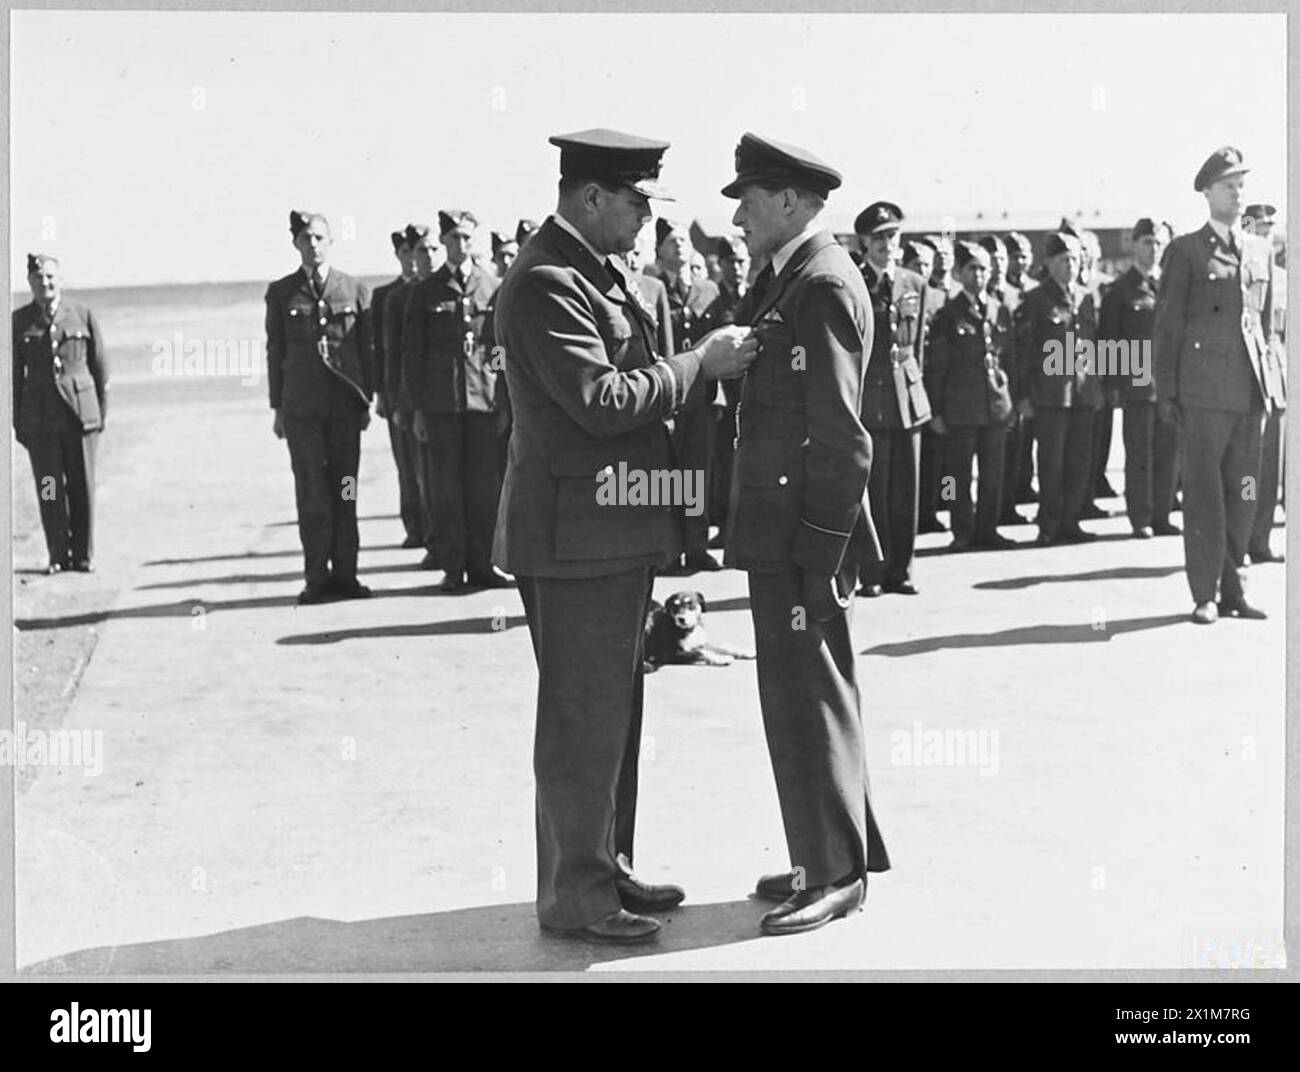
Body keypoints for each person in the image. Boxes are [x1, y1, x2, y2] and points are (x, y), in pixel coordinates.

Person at [492, 128, 757, 943]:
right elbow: (600, 400)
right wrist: (697, 367)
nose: (645, 219)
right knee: (582, 719)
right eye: (638, 201)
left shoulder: (593, 273)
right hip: (576, 538)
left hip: (606, 530)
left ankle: (607, 865)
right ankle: (576, 895)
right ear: (591, 196)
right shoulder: (544, 282)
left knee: (613, 711)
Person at [722, 131, 890, 936]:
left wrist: (824, 553)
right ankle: (822, 852)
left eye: (748, 201)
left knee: (811, 695)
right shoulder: (791, 276)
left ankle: (836, 874)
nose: (740, 217)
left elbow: (843, 435)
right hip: (779, 527)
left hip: (802, 535)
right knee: (795, 696)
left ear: (789, 201)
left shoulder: (820, 283)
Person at [1154, 147, 1278, 623]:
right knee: (1205, 496)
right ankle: (1205, 593)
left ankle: (1237, 590)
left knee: (1244, 492)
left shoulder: (1260, 250)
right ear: (1206, 193)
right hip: (1203, 395)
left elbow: (1263, 328)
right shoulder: (1187, 251)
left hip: (1249, 392)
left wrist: (1268, 385)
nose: (1237, 192)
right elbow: (1167, 327)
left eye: (1241, 184)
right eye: (1228, 185)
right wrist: (1166, 391)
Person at [265, 210, 373, 604]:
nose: (313, 245)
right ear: (296, 243)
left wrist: (367, 399)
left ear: (331, 242)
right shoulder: (281, 293)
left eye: (320, 238)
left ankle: (347, 576)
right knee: (312, 494)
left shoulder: (353, 289)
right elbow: (275, 351)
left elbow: (366, 349)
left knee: (345, 491)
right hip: (302, 410)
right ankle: (316, 577)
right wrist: (277, 407)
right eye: (306, 238)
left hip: (344, 408)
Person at [402, 209, 507, 592]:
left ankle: (483, 564)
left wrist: (503, 398)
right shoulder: (426, 291)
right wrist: (414, 409)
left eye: (466, 238)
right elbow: (413, 353)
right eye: (453, 239)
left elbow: (498, 349)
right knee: (445, 488)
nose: (460, 246)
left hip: (483, 401)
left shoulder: (492, 286)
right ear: (443, 242)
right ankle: (452, 566)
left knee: (484, 487)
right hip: (441, 403)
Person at [12, 253, 108, 574]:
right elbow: (12, 378)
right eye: (39, 279)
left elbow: (100, 368)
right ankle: (57, 554)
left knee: (81, 487)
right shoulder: (18, 321)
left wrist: (98, 416)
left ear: (61, 280)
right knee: (50, 487)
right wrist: (18, 425)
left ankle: (82, 555)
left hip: (79, 419)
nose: (46, 283)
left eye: (51, 277)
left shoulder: (82, 314)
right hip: (41, 425)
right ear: (30, 283)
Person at [855, 201, 931, 596]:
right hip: (873, 400)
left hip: (908, 399)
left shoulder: (914, 283)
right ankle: (873, 573)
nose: (887, 244)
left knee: (907, 492)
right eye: (879, 238)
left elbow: (917, 345)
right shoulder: (856, 282)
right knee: (877, 494)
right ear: (865, 242)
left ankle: (902, 571)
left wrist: (917, 390)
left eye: (892, 236)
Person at [925, 241, 1015, 550]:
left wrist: (1011, 400)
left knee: (993, 474)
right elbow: (937, 367)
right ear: (959, 272)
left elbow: (1010, 358)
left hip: (994, 406)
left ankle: (988, 530)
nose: (979, 275)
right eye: (972, 268)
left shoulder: (999, 308)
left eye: (984, 269)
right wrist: (936, 410)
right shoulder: (947, 314)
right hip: (960, 408)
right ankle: (961, 530)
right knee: (956, 477)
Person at [1013, 231, 1102, 545]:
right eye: (1063, 260)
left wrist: (1098, 386)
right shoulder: (1036, 299)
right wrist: (1023, 395)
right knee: (1051, 464)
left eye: (1075, 259)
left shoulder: (1087, 297)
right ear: (1049, 263)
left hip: (1082, 393)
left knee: (1079, 461)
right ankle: (1048, 525)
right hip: (1049, 395)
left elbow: (1095, 345)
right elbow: (1023, 350)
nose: (1070, 266)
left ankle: (1071, 522)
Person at [1098, 217, 1180, 539]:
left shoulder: (1171, 284)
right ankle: (1141, 518)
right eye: (1147, 242)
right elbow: (1109, 339)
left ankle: (1162, 515)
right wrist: (1113, 385)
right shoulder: (1120, 289)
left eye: (1158, 243)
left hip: (1168, 385)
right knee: (1140, 456)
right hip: (1136, 385)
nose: (1154, 249)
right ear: (1134, 245)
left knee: (1167, 453)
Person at [650, 217, 724, 572]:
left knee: (697, 473)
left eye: (683, 239)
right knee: (667, 475)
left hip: (701, 394)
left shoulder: (708, 290)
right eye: (672, 240)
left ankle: (696, 546)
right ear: (659, 250)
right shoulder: (650, 288)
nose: (680, 244)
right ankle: (668, 549)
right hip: (666, 392)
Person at [387, 223, 441, 570]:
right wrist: (391, 399)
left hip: (445, 399)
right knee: (419, 473)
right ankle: (426, 534)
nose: (424, 258)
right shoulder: (396, 298)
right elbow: (393, 354)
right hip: (412, 400)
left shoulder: (444, 292)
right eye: (419, 251)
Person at [372, 230, 424, 550]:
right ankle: (414, 527)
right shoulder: (385, 296)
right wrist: (381, 394)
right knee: (406, 464)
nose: (411, 257)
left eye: (414, 250)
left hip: (427, 392)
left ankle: (433, 530)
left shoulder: (431, 290)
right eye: (405, 251)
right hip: (398, 392)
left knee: (429, 467)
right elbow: (381, 349)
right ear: (399, 255)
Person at [1242, 202, 1286, 564]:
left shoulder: (1283, 275)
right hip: (1246, 382)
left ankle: (1261, 540)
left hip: (1277, 380)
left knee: (1270, 469)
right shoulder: (1238, 269)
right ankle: (1241, 540)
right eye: (1259, 227)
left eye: (1270, 228)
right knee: (1247, 471)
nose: (1266, 234)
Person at [706, 234, 751, 546]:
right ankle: (722, 525)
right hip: (721, 394)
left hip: (747, 393)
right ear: (720, 264)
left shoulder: (756, 294)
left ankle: (741, 525)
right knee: (720, 464)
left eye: (742, 261)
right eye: (731, 262)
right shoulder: (714, 299)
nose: (737, 268)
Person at [908, 236, 950, 536]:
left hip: (935, 383)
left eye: (927, 264)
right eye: (917, 264)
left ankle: (935, 508)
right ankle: (917, 514)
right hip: (908, 383)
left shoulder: (938, 297)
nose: (923, 270)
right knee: (913, 463)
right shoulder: (902, 294)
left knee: (938, 458)